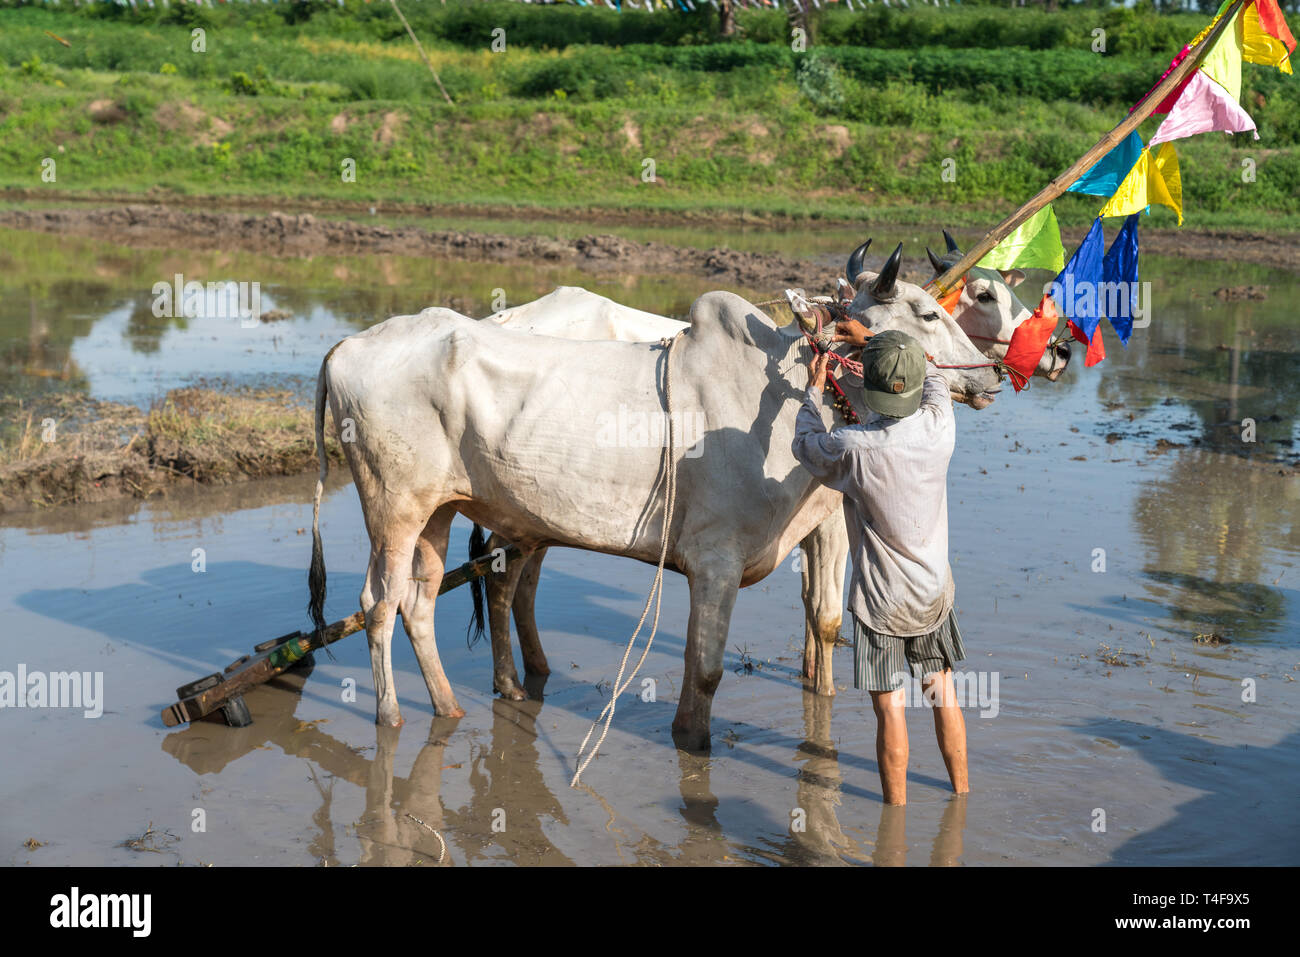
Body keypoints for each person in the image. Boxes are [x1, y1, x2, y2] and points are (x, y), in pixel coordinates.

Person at [791, 320, 969, 806]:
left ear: (867, 390)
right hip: (932, 593)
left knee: (891, 711)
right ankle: (961, 797)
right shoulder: (940, 425)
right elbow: (929, 370)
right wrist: (874, 339)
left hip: (880, 604)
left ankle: (896, 826)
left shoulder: (854, 448)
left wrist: (813, 389)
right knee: (943, 694)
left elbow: (805, 445)